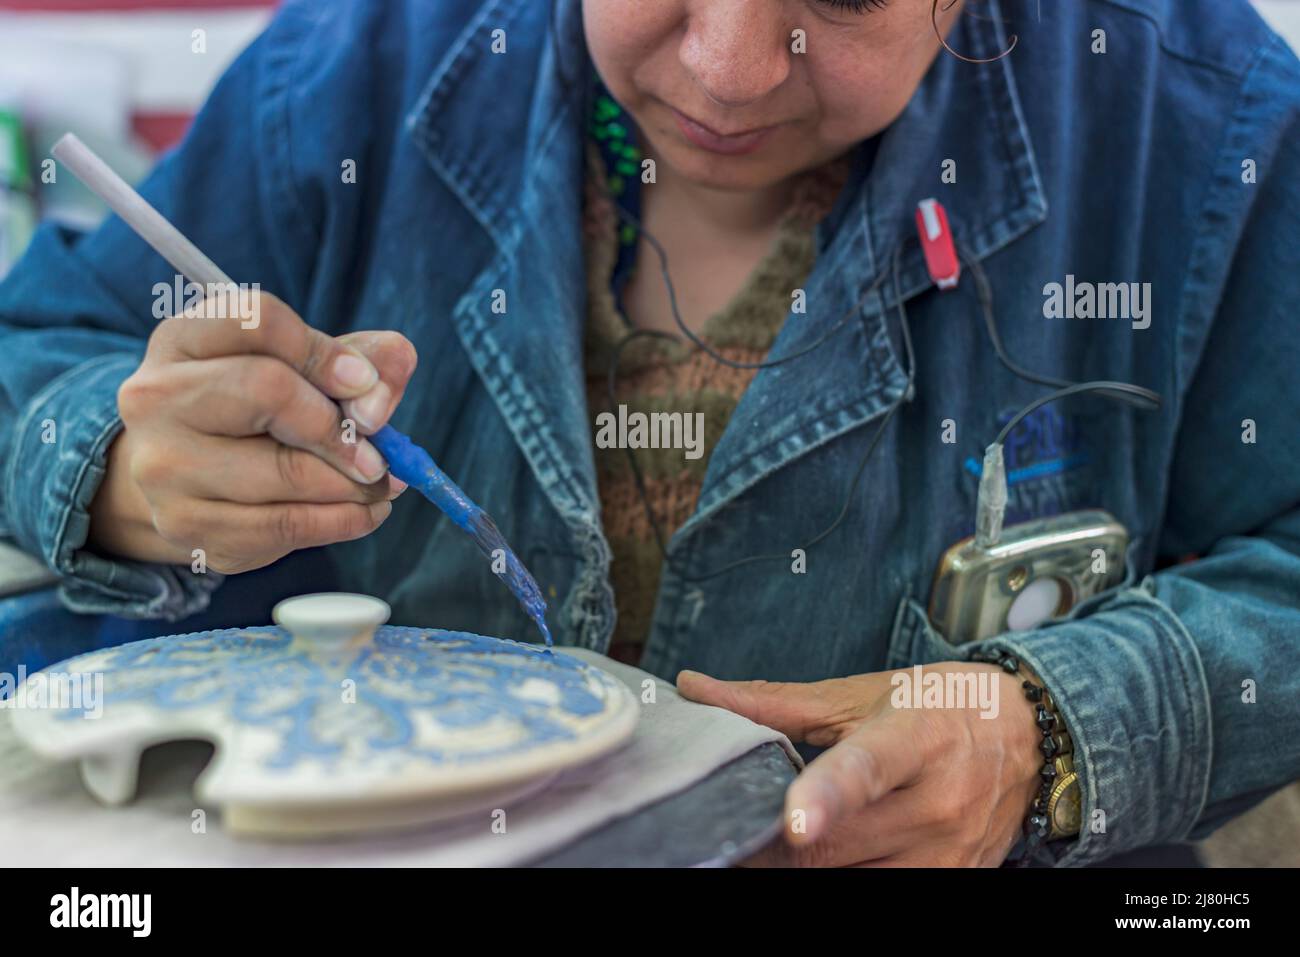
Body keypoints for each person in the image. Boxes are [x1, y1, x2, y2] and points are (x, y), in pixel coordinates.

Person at [1, 0, 1297, 867]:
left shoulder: (1203, 129)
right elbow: (34, 354)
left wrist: (1049, 728)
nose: (725, 69)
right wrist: (120, 467)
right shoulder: (350, 74)